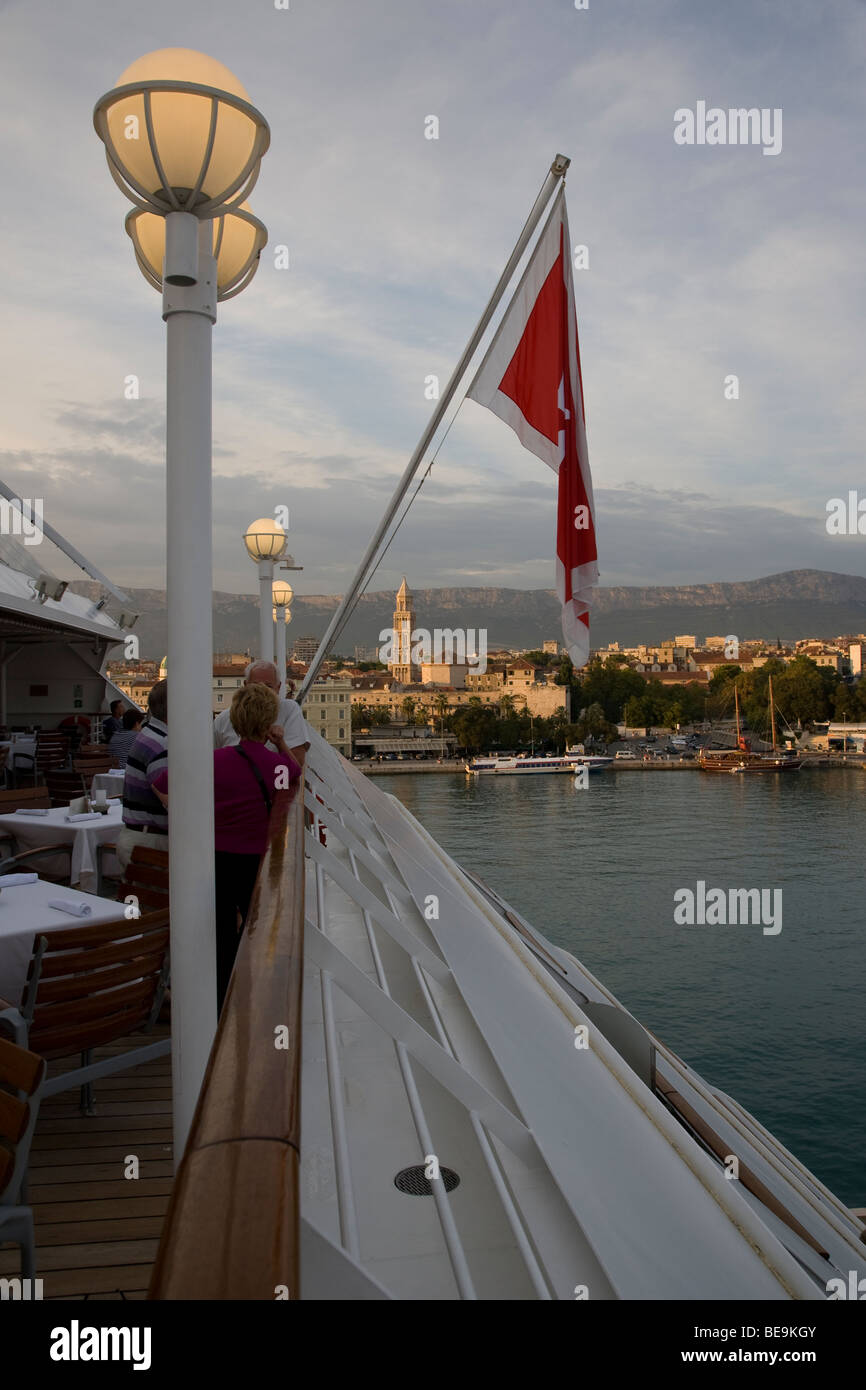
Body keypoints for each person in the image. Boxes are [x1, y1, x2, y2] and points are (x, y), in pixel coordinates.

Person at [153, 683, 301, 1012]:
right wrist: (280, 742)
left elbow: (161, 784)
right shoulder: (274, 765)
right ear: (268, 723)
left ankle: (220, 1005)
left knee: (219, 937)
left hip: (215, 861)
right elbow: (294, 773)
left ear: (233, 721)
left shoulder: (213, 761)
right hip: (255, 864)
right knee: (256, 933)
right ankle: (253, 1003)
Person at [213, 660, 309, 767]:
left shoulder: (289, 710)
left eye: (268, 686)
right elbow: (295, 771)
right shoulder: (223, 720)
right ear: (245, 686)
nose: (262, 693)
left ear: (278, 688)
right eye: (256, 686)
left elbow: (298, 762)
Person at [116, 680, 168, 870]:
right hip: (151, 843)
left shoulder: (149, 734)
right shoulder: (163, 745)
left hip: (139, 838)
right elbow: (170, 800)